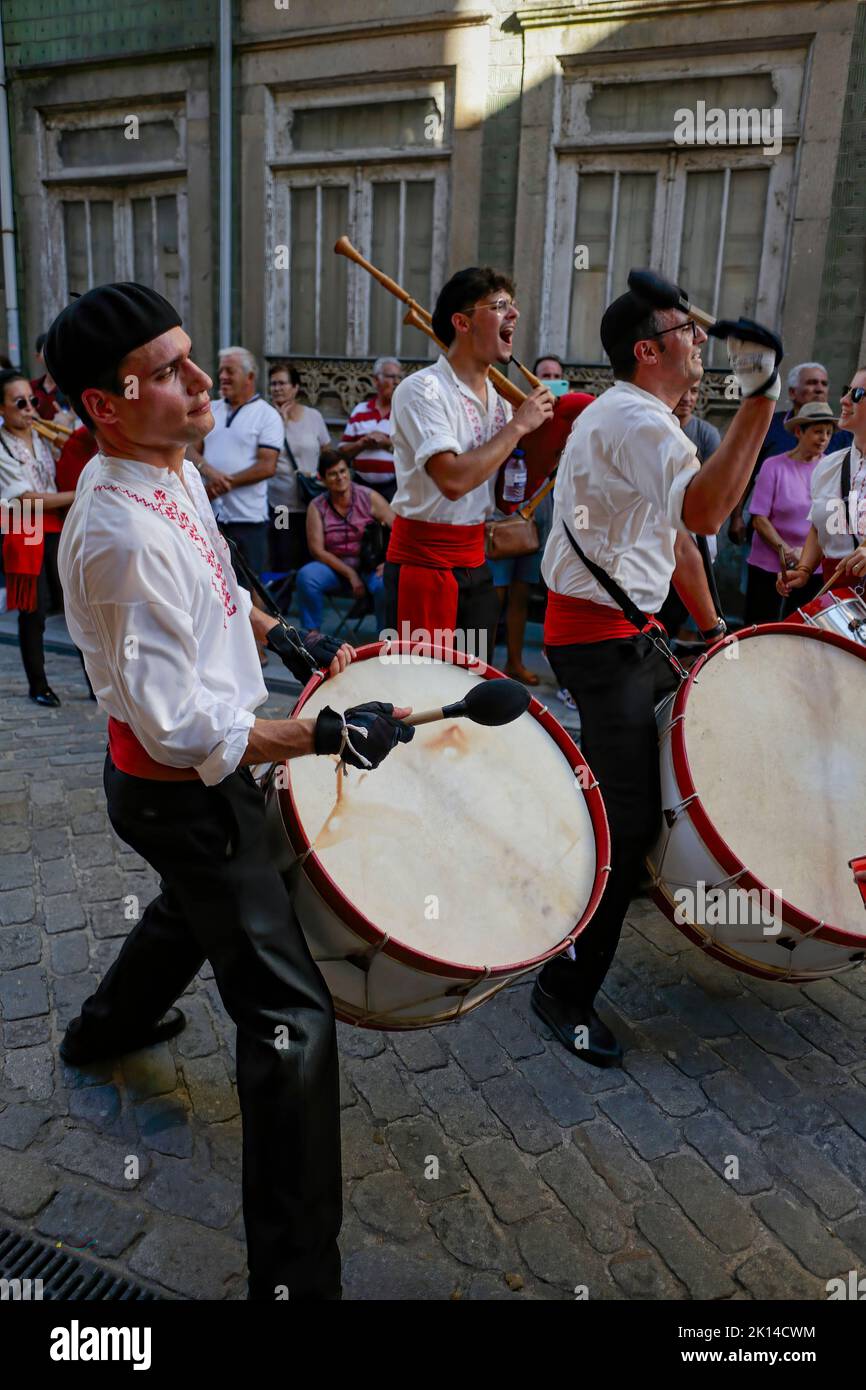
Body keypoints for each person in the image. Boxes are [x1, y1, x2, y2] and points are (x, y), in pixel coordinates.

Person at [46, 281, 414, 1302]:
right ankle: (295, 1280)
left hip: (178, 791)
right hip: (179, 790)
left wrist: (283, 636)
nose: (203, 382)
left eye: (192, 356)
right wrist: (326, 731)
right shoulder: (115, 534)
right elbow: (186, 730)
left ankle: (104, 1029)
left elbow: (217, 587)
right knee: (291, 1019)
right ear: (105, 403)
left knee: (185, 911)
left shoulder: (175, 476)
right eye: (169, 372)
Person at [534, 279, 782, 1066]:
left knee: (662, 774)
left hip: (627, 633)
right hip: (598, 643)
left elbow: (679, 543)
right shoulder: (637, 419)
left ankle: (597, 882)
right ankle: (562, 992)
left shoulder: (643, 421)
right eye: (689, 331)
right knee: (631, 816)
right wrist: (762, 400)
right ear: (649, 349)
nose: (702, 342)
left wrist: (711, 629)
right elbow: (707, 516)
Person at [385, 267, 553, 662]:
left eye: (513, 307)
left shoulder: (498, 399)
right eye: (499, 306)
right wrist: (519, 426)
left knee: (473, 689)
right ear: (461, 322)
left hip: (476, 565)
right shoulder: (421, 390)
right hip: (422, 567)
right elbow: (454, 480)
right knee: (418, 694)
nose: (513, 315)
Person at [0, 369, 75, 705]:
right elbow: (25, 498)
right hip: (24, 523)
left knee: (74, 599)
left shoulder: (43, 435)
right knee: (35, 606)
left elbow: (73, 451)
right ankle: (38, 684)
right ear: (2, 409)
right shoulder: (2, 446)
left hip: (56, 522)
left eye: (31, 400)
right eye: (20, 403)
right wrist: (79, 493)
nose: (29, 408)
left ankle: (95, 682)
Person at [728, 361, 851, 545]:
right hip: (766, 532)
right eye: (812, 383)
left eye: (824, 384)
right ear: (793, 392)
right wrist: (736, 515)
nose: (819, 389)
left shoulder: (842, 434)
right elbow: (747, 470)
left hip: (816, 541)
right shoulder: (769, 426)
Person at [779, 370, 866, 607]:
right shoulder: (829, 466)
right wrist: (805, 569)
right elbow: (819, 527)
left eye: (857, 394)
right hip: (839, 593)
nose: (844, 400)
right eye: (846, 391)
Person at [744, 400, 836, 624]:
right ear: (798, 431)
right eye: (817, 431)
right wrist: (788, 552)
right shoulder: (773, 466)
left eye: (828, 432)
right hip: (768, 565)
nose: (823, 438)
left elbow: (831, 519)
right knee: (761, 627)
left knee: (802, 631)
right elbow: (759, 518)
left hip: (812, 568)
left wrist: (805, 555)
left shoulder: (832, 469)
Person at [197, 346, 282, 585]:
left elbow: (267, 466)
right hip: (210, 516)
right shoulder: (209, 408)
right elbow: (191, 450)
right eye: (221, 370)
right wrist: (210, 472)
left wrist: (222, 485)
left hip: (249, 520)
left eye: (229, 371)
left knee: (251, 586)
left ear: (250, 377)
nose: (222, 376)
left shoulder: (267, 415)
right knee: (211, 584)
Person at [297, 451, 393, 633]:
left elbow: (399, 530)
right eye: (333, 474)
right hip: (336, 568)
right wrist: (350, 574)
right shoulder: (317, 506)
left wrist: (389, 562)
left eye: (343, 471)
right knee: (306, 576)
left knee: (386, 583)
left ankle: (386, 642)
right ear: (322, 479)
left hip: (370, 566)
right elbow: (317, 550)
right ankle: (312, 637)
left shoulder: (368, 496)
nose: (340, 477)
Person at [657, 384, 723, 641]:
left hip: (691, 532)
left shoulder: (706, 434)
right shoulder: (656, 429)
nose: (687, 398)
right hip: (658, 530)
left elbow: (713, 486)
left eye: (693, 391)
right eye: (682, 390)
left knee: (686, 606)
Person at [268, 361, 330, 573]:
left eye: (282, 383)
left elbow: (327, 452)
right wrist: (280, 422)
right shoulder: (267, 418)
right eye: (273, 384)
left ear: (295, 387)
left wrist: (320, 476)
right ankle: (281, 603)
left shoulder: (314, 417)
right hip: (281, 504)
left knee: (309, 552)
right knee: (283, 551)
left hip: (311, 501)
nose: (277, 388)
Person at [338, 357, 402, 500]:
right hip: (360, 486)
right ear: (375, 380)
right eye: (391, 377)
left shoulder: (404, 412)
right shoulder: (360, 411)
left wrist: (386, 443)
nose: (397, 382)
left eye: (399, 377)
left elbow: (415, 452)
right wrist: (362, 443)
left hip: (395, 488)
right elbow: (342, 452)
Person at [30, 332, 75, 424]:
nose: (53, 355)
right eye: (47, 350)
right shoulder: (30, 387)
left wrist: (71, 417)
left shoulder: (74, 387)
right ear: (38, 357)